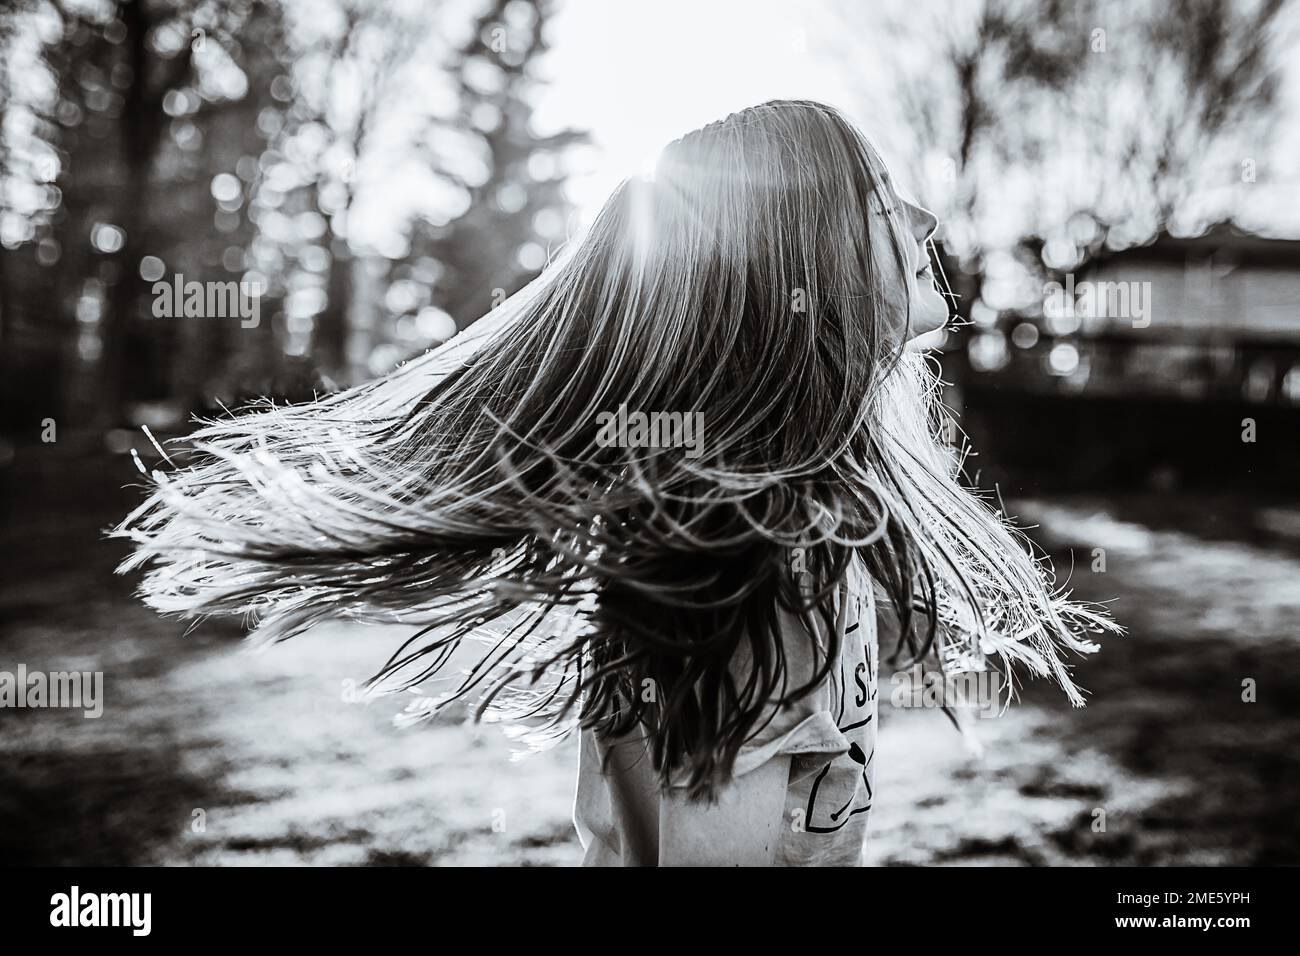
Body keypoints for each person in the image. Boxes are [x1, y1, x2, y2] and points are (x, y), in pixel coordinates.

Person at [116, 100, 1118, 866]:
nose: (923, 217)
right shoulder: (745, 552)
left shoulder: (796, 521)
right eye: (881, 198)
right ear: (799, 262)